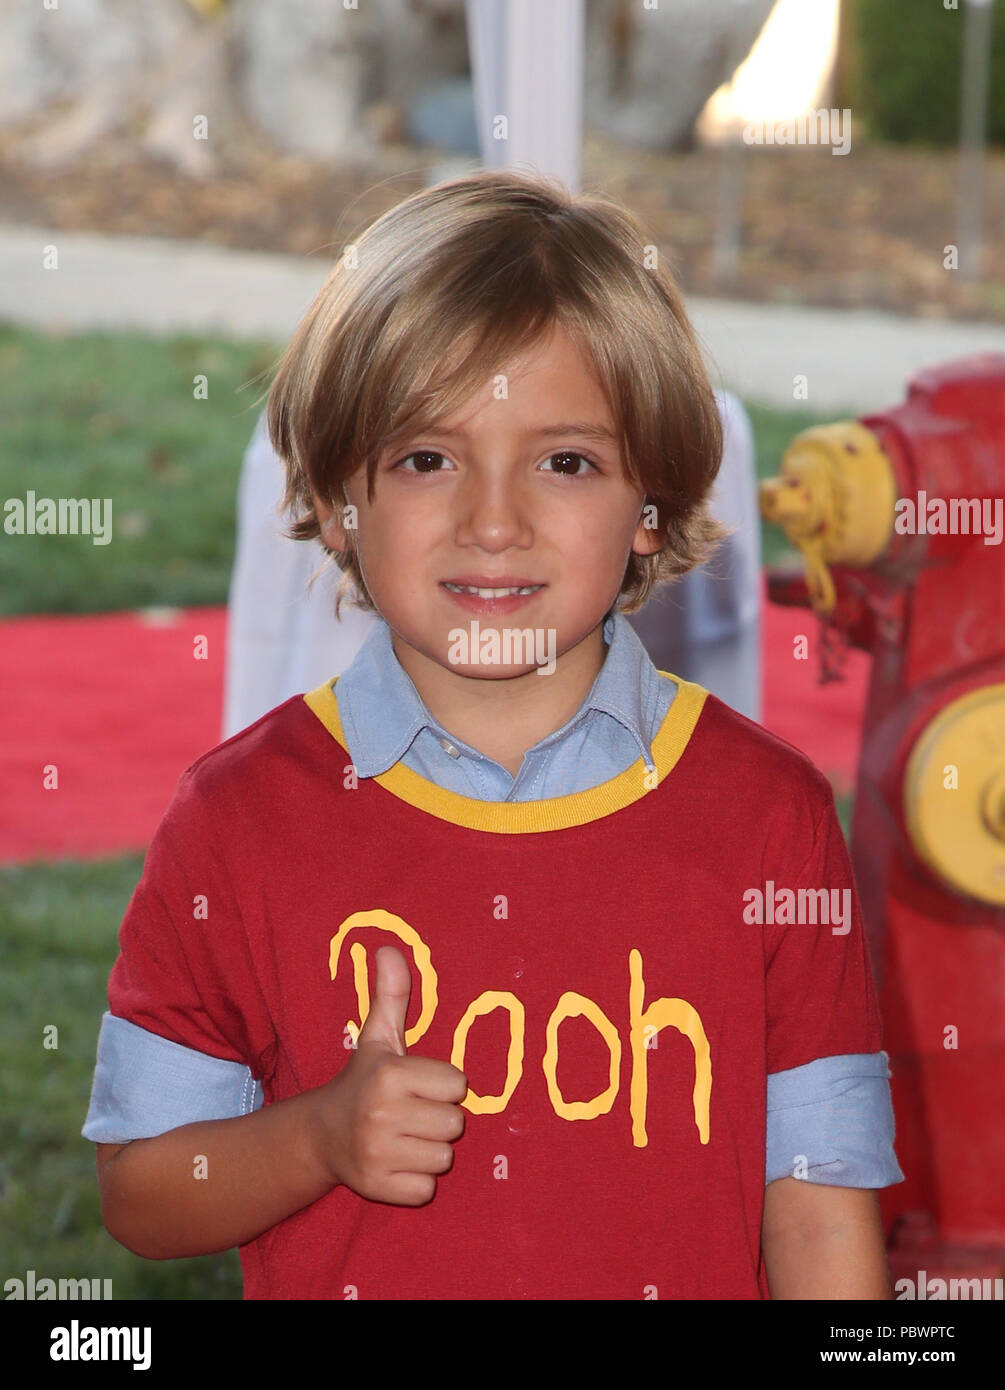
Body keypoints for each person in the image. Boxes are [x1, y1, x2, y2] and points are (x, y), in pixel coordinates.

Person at [83, 168, 902, 1300]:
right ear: (332, 495)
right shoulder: (236, 821)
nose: (496, 519)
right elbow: (141, 1187)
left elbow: (820, 1200)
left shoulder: (773, 819)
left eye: (566, 461)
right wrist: (315, 1137)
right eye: (428, 457)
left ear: (650, 504)